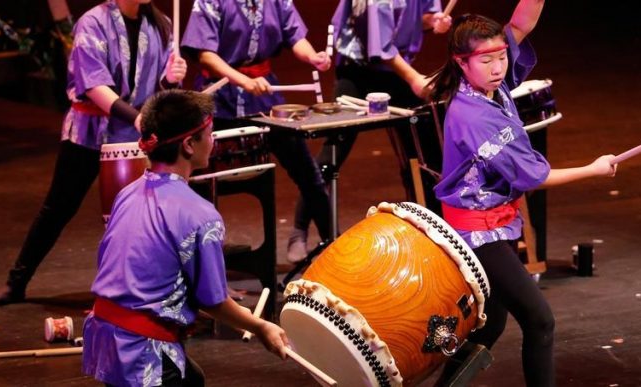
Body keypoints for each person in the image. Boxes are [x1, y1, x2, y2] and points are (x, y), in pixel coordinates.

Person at [428, 2, 616, 384]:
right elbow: (533, 177)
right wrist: (593, 170)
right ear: (461, 62)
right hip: (476, 231)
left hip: (497, 222)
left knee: (490, 326)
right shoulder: (474, 115)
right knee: (539, 321)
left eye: (501, 57)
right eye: (487, 61)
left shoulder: (488, 87)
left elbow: (522, 21)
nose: (498, 67)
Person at [82, 90, 288, 387]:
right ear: (190, 145)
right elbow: (213, 300)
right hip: (143, 348)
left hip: (107, 336)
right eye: (209, 133)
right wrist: (260, 326)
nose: (214, 140)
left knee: (193, 378)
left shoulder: (127, 194)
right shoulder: (200, 215)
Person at [0, 0, 187, 307]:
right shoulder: (93, 22)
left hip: (131, 138)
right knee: (58, 208)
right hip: (88, 131)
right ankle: (17, 282)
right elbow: (95, 86)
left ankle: (138, 288)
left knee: (135, 215)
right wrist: (136, 117)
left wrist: (170, 79)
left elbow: (159, 89)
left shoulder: (161, 25)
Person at [284, 0, 452, 261]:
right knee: (335, 150)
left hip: (396, 69)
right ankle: (299, 229)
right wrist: (415, 79)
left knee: (425, 150)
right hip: (358, 71)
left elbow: (419, 15)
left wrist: (432, 21)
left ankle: (435, 234)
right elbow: (381, 48)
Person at [181, 0, 334, 252]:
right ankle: (204, 261)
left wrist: (312, 57)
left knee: (307, 173)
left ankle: (335, 246)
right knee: (202, 183)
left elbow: (295, 36)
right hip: (220, 96)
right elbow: (205, 55)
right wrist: (241, 80)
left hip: (263, 94)